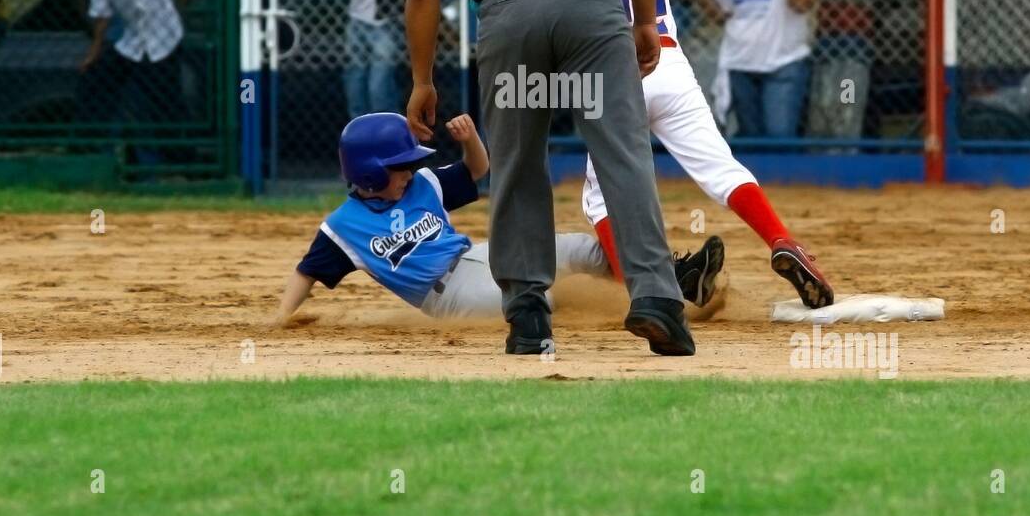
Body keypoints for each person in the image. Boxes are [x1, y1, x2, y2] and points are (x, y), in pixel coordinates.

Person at [402, 0, 695, 357]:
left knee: (517, 162)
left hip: (508, 15)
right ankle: (657, 298)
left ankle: (529, 315)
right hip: (589, 7)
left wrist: (422, 81)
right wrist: (643, 20)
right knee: (622, 152)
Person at [583, 0, 834, 309]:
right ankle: (782, 239)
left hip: (617, 72)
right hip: (670, 65)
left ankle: (640, 295)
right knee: (722, 169)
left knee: (600, 195)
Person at [274, 113, 724, 326]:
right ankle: (652, 312)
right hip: (450, 298)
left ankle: (676, 281)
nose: (410, 171)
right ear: (370, 174)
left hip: (477, 256)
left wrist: (470, 140)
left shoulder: (421, 185)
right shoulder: (344, 226)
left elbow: (477, 169)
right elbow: (306, 271)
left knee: (579, 248)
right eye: (400, 166)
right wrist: (280, 319)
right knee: (539, 296)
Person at [77, 0, 185, 160]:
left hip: (163, 41)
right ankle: (90, 147)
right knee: (96, 80)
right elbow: (102, 15)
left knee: (164, 103)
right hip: (133, 42)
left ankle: (178, 159)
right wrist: (94, 52)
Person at [697, 0, 822, 138]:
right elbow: (721, 15)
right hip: (741, 64)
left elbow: (802, 4)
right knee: (750, 136)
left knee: (779, 135)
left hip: (783, 62)